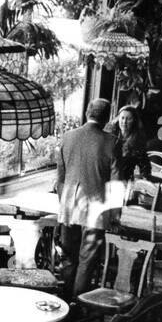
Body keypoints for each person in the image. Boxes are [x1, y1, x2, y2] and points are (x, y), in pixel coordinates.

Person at [56, 98, 118, 296]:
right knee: (87, 259)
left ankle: (65, 302)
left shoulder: (68, 137)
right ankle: (77, 304)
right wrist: (115, 216)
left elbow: (60, 178)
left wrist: (63, 204)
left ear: (87, 113)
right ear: (107, 117)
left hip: (68, 207)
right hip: (95, 210)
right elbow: (116, 183)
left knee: (68, 257)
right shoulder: (112, 142)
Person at [108, 105, 149, 182]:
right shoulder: (109, 135)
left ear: (134, 121)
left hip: (125, 181)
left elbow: (145, 167)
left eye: (129, 119)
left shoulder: (137, 141)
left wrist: (141, 180)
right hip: (106, 179)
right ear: (118, 119)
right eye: (122, 118)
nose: (124, 122)